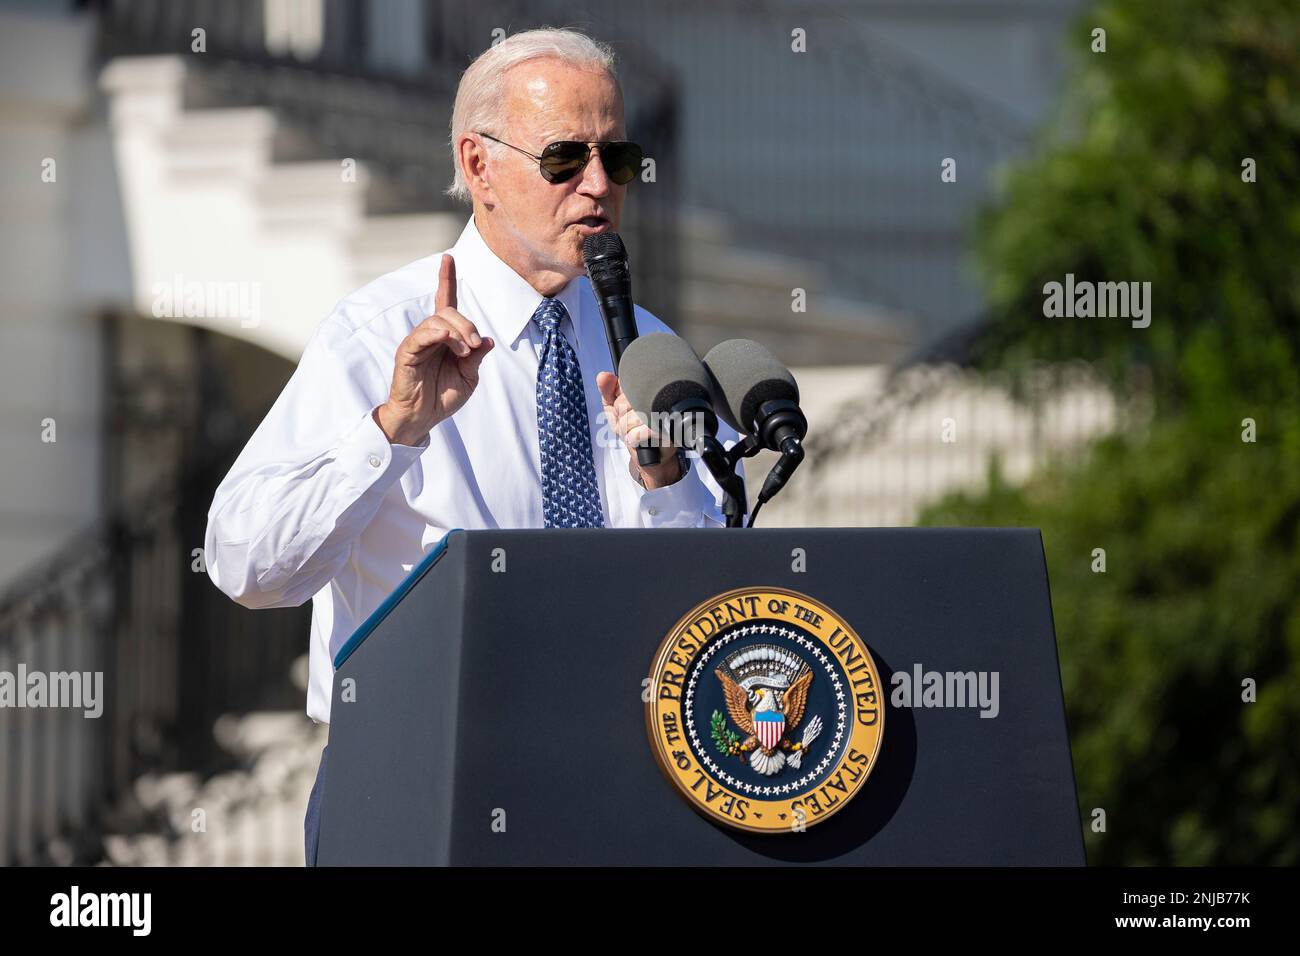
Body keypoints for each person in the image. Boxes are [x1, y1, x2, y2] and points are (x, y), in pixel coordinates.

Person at [202, 27, 741, 865]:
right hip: (420, 783)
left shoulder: (653, 351)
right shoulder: (378, 336)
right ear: (479, 166)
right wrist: (391, 435)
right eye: (565, 158)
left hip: (623, 783)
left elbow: (723, 607)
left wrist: (668, 480)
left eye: (618, 158)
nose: (598, 185)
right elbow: (245, 563)